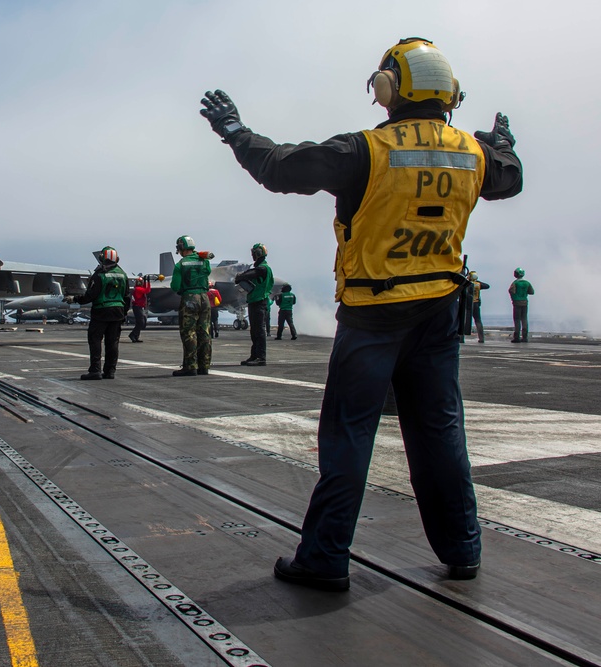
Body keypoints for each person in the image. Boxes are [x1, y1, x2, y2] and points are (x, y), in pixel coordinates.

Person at [200, 36, 522, 590]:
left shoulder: (363, 150)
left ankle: (325, 558)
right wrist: (504, 144)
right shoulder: (473, 152)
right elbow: (509, 177)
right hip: (441, 311)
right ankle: (462, 549)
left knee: (350, 434)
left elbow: (278, 169)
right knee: (440, 432)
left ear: (388, 89)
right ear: (449, 92)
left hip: (374, 312)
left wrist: (235, 132)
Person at [65, 246, 130, 379]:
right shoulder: (123, 275)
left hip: (101, 311)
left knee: (95, 340)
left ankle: (95, 370)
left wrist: (74, 299)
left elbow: (90, 295)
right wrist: (123, 313)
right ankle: (110, 371)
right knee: (113, 342)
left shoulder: (100, 274)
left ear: (102, 258)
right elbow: (127, 296)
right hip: (118, 312)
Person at [170, 235, 212, 376]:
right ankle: (204, 366)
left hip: (189, 298)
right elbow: (208, 272)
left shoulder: (180, 264)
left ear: (181, 247)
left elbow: (175, 286)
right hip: (205, 298)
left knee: (189, 332)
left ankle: (190, 366)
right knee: (204, 332)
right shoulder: (204, 261)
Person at [234, 243, 273, 365]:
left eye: (254, 253)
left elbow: (249, 274)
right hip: (255, 301)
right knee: (255, 330)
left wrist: (240, 276)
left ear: (258, 253)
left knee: (259, 330)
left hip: (259, 302)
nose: (252, 255)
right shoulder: (261, 267)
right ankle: (254, 355)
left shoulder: (262, 268)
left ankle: (261, 358)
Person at [509, 267, 534, 343]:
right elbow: (532, 292)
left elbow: (511, 291)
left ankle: (517, 337)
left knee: (517, 320)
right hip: (525, 302)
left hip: (516, 302)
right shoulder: (527, 283)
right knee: (524, 319)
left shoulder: (515, 283)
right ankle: (525, 337)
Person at [469, 271, 490, 343]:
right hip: (476, 303)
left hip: (468, 304)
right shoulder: (478, 284)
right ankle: (481, 338)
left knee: (464, 320)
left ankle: (461, 337)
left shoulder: (467, 284)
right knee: (478, 321)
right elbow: (487, 286)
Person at [128, 277, 151, 343]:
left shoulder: (137, 288)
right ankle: (132, 334)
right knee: (141, 322)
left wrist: (146, 281)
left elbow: (144, 289)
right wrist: (148, 282)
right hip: (137, 307)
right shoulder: (138, 289)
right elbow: (147, 290)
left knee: (139, 322)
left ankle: (135, 336)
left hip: (138, 307)